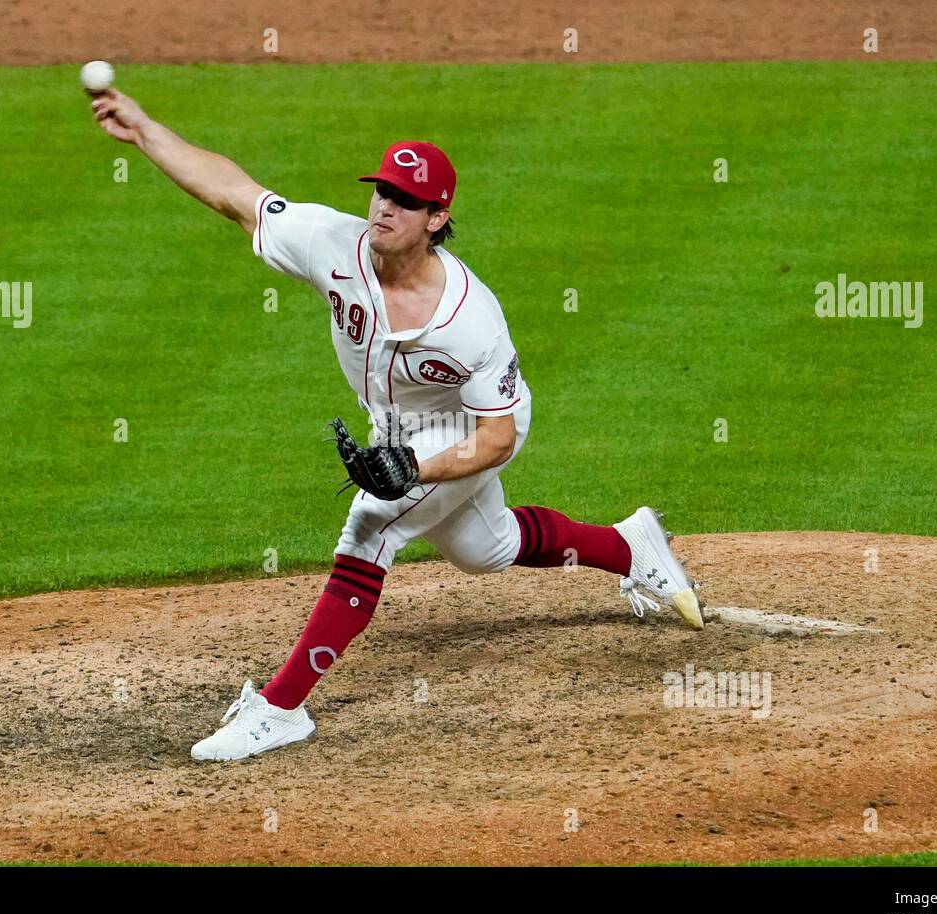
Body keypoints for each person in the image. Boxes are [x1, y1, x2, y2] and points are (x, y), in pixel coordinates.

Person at [87, 87, 705, 762]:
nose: (385, 207)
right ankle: (631, 544)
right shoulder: (331, 243)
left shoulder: (471, 320)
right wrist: (145, 130)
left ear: (438, 217)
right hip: (396, 424)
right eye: (382, 191)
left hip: (468, 425)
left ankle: (280, 708)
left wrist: (413, 468)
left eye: (406, 200)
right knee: (485, 548)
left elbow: (497, 437)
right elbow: (231, 191)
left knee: (371, 525)